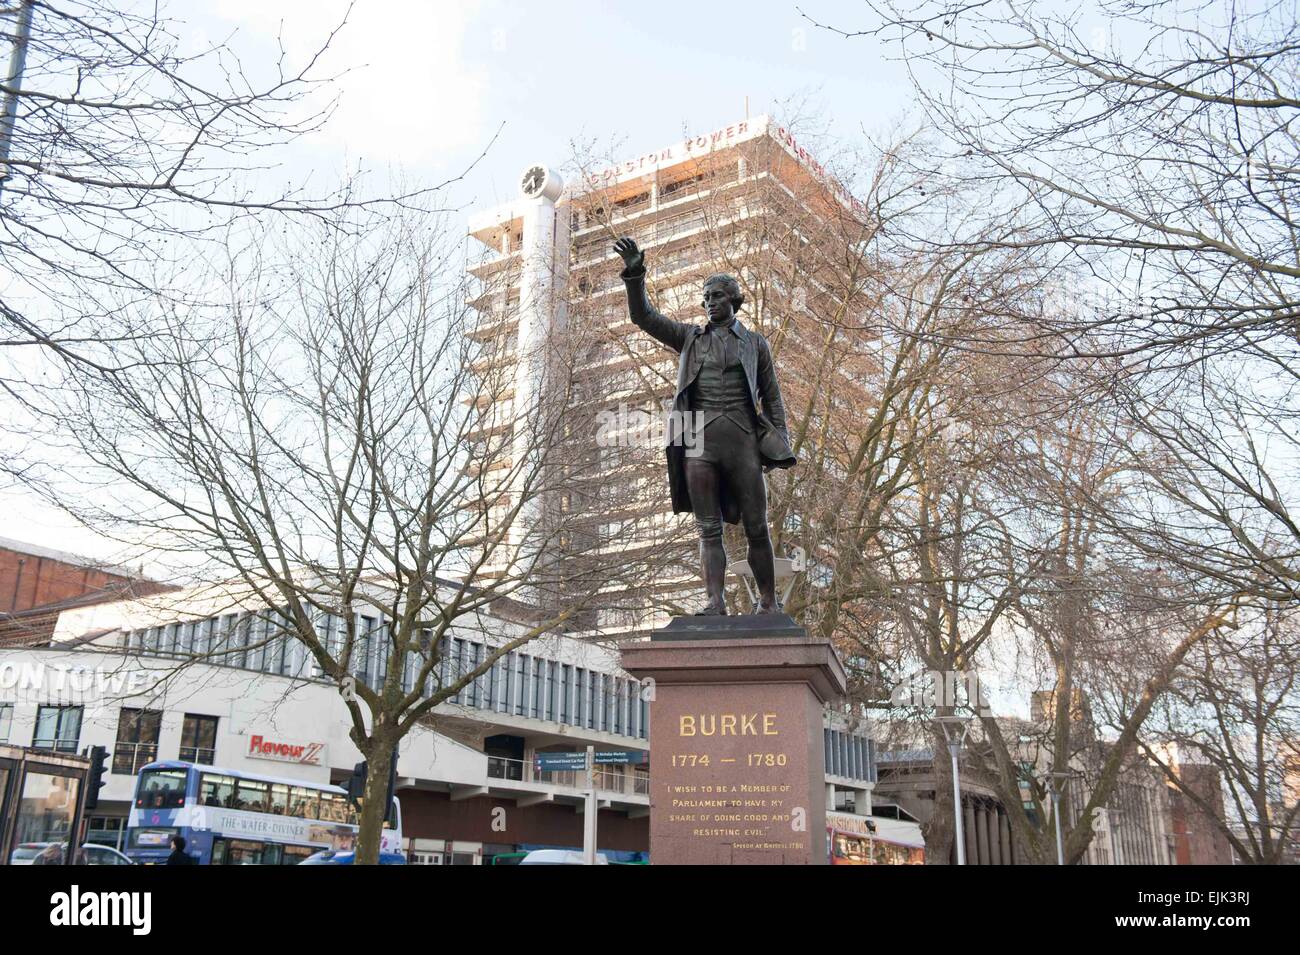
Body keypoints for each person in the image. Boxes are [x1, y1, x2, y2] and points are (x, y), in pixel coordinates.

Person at [615, 236, 796, 615]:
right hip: (698, 441)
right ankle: (715, 602)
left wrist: (779, 446)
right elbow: (644, 317)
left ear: (734, 300)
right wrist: (635, 274)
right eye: (706, 297)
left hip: (744, 440)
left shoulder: (755, 344)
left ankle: (768, 603)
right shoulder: (689, 339)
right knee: (707, 528)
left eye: (716, 296)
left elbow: (772, 397)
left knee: (757, 526)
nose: (708, 302)